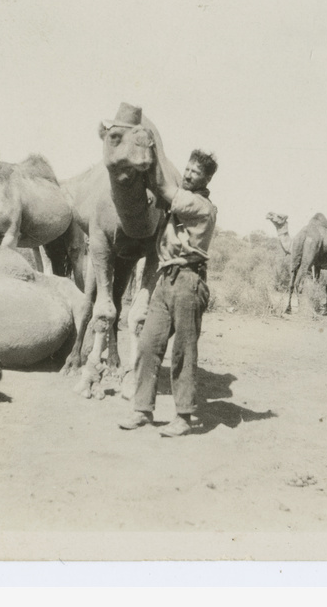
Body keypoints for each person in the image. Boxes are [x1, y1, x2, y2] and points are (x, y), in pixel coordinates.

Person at [119, 146, 218, 437]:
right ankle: (142, 410)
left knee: (183, 352)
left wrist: (153, 150)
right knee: (149, 344)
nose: (188, 174)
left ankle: (184, 417)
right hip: (165, 279)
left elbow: (163, 186)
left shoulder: (199, 206)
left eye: (196, 172)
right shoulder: (182, 201)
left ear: (206, 181)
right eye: (187, 168)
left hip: (189, 281)